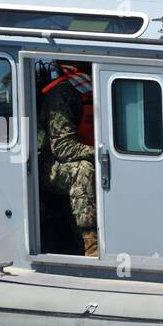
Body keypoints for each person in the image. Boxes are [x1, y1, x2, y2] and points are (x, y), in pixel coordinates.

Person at [38, 61, 98, 256]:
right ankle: (90, 243)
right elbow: (63, 147)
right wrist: (100, 154)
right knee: (83, 170)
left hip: (85, 153)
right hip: (44, 163)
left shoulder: (100, 85)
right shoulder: (64, 95)